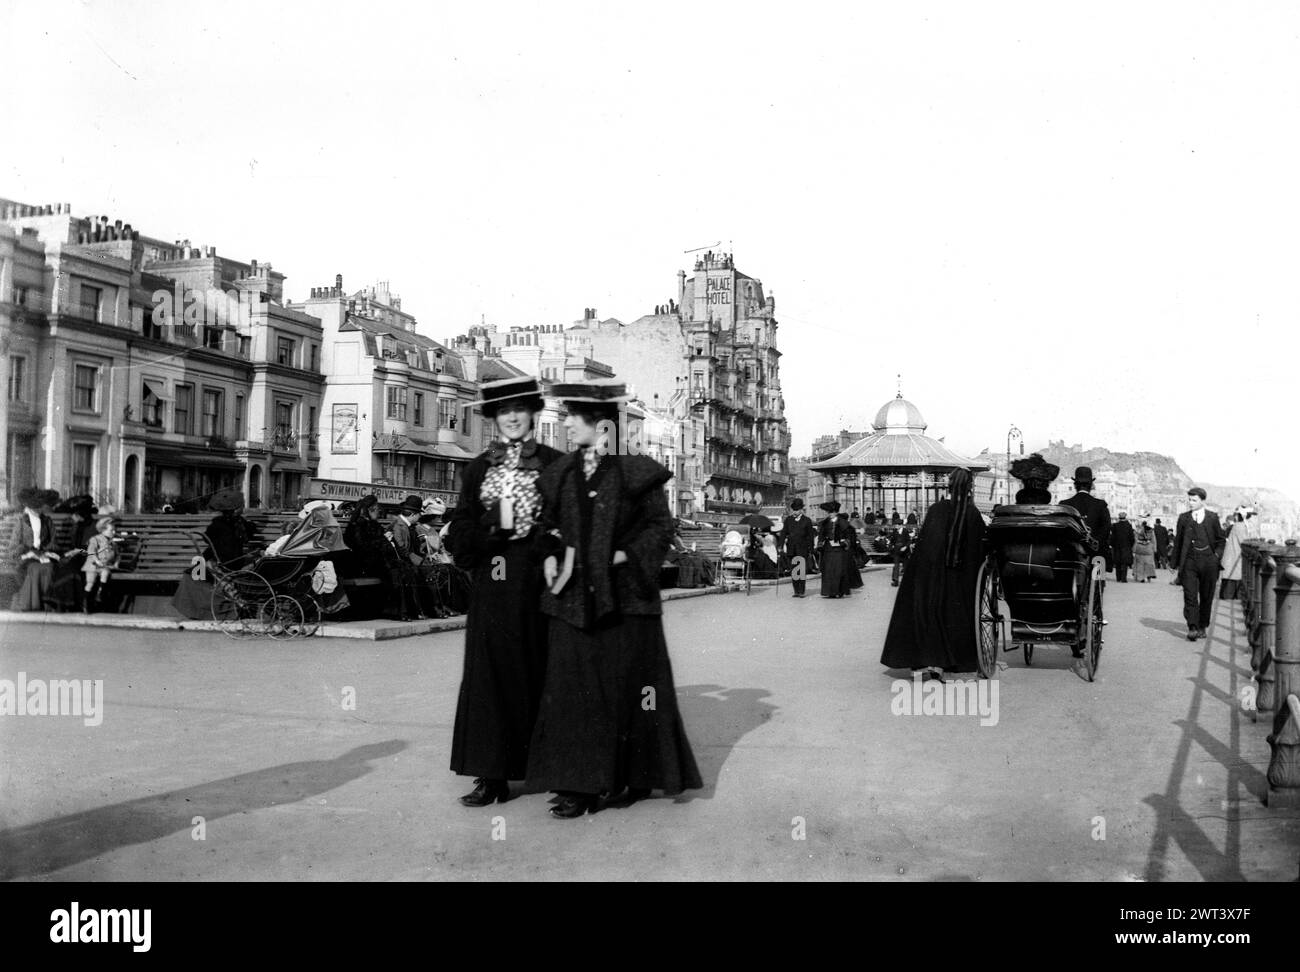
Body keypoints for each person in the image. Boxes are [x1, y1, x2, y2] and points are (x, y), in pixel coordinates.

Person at [526, 379, 702, 818]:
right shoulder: (561, 473)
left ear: (600, 425)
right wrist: (549, 557)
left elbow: (660, 528)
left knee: (628, 690)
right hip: (571, 599)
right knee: (572, 689)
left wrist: (625, 554)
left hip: (626, 599)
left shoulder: (636, 471)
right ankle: (576, 785)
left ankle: (634, 776)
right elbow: (547, 526)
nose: (565, 425)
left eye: (572, 417)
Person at [444, 376, 565, 808]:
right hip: (494, 588)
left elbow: (569, 524)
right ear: (494, 418)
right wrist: (489, 531)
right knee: (491, 679)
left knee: (546, 671)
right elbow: (458, 527)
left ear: (532, 414)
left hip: (542, 584)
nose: (512, 417)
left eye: (520, 409)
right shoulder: (478, 468)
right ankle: (491, 775)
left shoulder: (554, 463)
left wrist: (548, 543)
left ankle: (554, 769)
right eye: (503, 411)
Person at [880, 468, 987, 681]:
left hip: (932, 577)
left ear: (947, 486)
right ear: (969, 488)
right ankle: (951, 661)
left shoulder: (936, 510)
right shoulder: (972, 513)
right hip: (959, 580)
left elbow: (926, 547)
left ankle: (926, 660)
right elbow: (978, 551)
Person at [1171, 486, 1226, 641]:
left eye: (1194, 500)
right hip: (1189, 562)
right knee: (1190, 595)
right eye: (1189, 499)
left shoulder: (1212, 518)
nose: (1190, 503)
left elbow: (1221, 540)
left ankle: (1202, 626)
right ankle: (1192, 627)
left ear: (1203, 501)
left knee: (1207, 596)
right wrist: (1173, 563)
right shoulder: (1183, 518)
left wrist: (1216, 556)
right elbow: (1178, 542)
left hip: (1209, 562)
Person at [9, 486, 62, 611]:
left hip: (44, 555)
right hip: (26, 557)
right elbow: (13, 546)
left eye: (40, 506)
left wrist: (45, 551)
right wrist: (29, 552)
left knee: (48, 567)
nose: (40, 509)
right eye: (36, 507)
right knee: (35, 568)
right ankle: (31, 603)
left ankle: (46, 602)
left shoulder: (47, 521)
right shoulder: (21, 522)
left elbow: (54, 542)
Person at [1059, 466, 1112, 567]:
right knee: (1098, 578)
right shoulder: (1100, 504)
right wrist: (1095, 542)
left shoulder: (1065, 504)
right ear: (1091, 485)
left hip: (1070, 555)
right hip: (1096, 555)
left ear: (1075, 485)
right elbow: (1106, 528)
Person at [388, 495, 429, 622]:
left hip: (410, 560)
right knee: (417, 572)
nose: (420, 517)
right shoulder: (397, 525)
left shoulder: (412, 526)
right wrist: (419, 561)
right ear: (412, 514)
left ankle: (433, 608)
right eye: (419, 514)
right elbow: (402, 549)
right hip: (400, 561)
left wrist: (425, 554)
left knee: (438, 570)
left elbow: (415, 547)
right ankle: (418, 610)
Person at [1218, 505, 1260, 602]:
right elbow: (1245, 541)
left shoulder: (1239, 525)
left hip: (1234, 558)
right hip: (1234, 559)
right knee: (1233, 579)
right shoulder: (1240, 526)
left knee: (1233, 577)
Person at [82, 515, 120, 612]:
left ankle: (100, 592)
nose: (114, 532)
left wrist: (116, 563)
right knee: (90, 582)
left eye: (114, 530)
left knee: (105, 573)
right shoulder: (95, 539)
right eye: (111, 530)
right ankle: (86, 602)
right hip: (93, 565)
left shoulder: (113, 543)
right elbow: (91, 551)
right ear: (103, 530)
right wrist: (96, 560)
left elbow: (118, 555)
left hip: (104, 566)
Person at [782, 498, 815, 598]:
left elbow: (810, 536)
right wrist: (780, 545)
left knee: (801, 570)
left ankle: (801, 591)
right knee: (794, 570)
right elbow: (784, 533)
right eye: (793, 510)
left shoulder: (807, 521)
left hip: (802, 549)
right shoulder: (788, 520)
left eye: (796, 510)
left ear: (801, 510)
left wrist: (811, 549)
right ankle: (796, 590)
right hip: (792, 549)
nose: (794, 512)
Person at [816, 500, 850, 598]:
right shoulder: (825, 523)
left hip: (839, 549)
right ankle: (829, 592)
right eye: (829, 512)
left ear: (836, 512)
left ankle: (838, 591)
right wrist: (820, 544)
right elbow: (821, 535)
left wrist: (843, 541)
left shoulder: (843, 522)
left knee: (838, 570)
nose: (830, 514)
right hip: (828, 549)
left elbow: (848, 536)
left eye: (831, 512)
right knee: (828, 570)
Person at [1110, 511, 1135, 582]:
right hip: (1126, 547)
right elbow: (1132, 538)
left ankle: (1118, 578)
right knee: (1124, 563)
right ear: (1125, 517)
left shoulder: (1115, 525)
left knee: (1118, 563)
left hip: (1117, 547)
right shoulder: (1129, 526)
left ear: (1119, 517)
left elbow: (1112, 537)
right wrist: (1130, 545)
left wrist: (1112, 545)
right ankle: (1124, 578)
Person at [1132, 517, 1157, 582]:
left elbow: (1135, 539)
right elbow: (1153, 540)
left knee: (1139, 563)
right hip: (1148, 548)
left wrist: (1134, 549)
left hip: (1139, 548)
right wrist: (1154, 548)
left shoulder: (1138, 530)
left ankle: (1140, 577)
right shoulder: (1151, 530)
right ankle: (1149, 576)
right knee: (1149, 563)